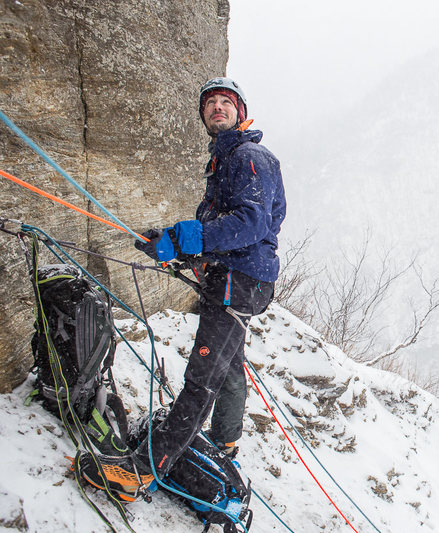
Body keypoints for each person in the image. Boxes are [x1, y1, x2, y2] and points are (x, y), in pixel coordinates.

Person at [78, 77, 286, 501]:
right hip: (234, 278)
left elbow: (252, 223)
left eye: (225, 102)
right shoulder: (222, 165)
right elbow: (218, 233)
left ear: (241, 113)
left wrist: (188, 240)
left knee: (201, 379)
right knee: (228, 364)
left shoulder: (250, 156)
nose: (216, 108)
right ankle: (225, 443)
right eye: (209, 104)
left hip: (239, 283)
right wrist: (171, 244)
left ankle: (141, 472)